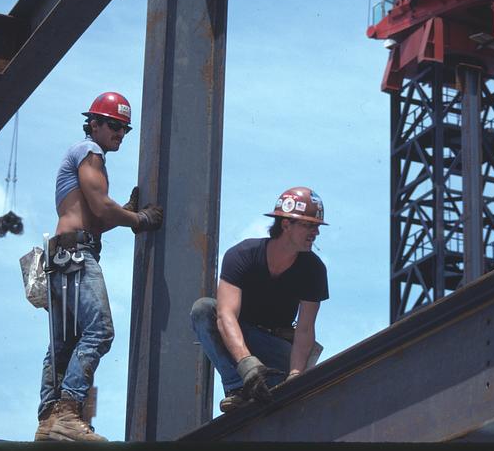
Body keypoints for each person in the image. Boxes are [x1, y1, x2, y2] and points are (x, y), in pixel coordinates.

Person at [34, 92, 163, 441]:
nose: (120, 134)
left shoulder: (84, 157)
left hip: (63, 255)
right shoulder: (90, 152)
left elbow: (97, 219)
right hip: (76, 254)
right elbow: (102, 208)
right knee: (99, 331)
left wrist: (124, 213)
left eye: (124, 129)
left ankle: (49, 421)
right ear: (93, 124)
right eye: (114, 126)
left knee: (65, 342)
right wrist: (139, 218)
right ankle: (68, 411)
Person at [191, 186, 329, 413]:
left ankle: (267, 386)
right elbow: (226, 316)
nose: (315, 233)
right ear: (286, 224)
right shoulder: (242, 255)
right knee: (204, 310)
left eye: (317, 226)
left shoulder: (313, 270)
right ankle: (238, 389)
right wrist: (247, 364)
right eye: (308, 225)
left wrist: (295, 376)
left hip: (278, 350)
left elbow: (305, 330)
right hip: (242, 345)